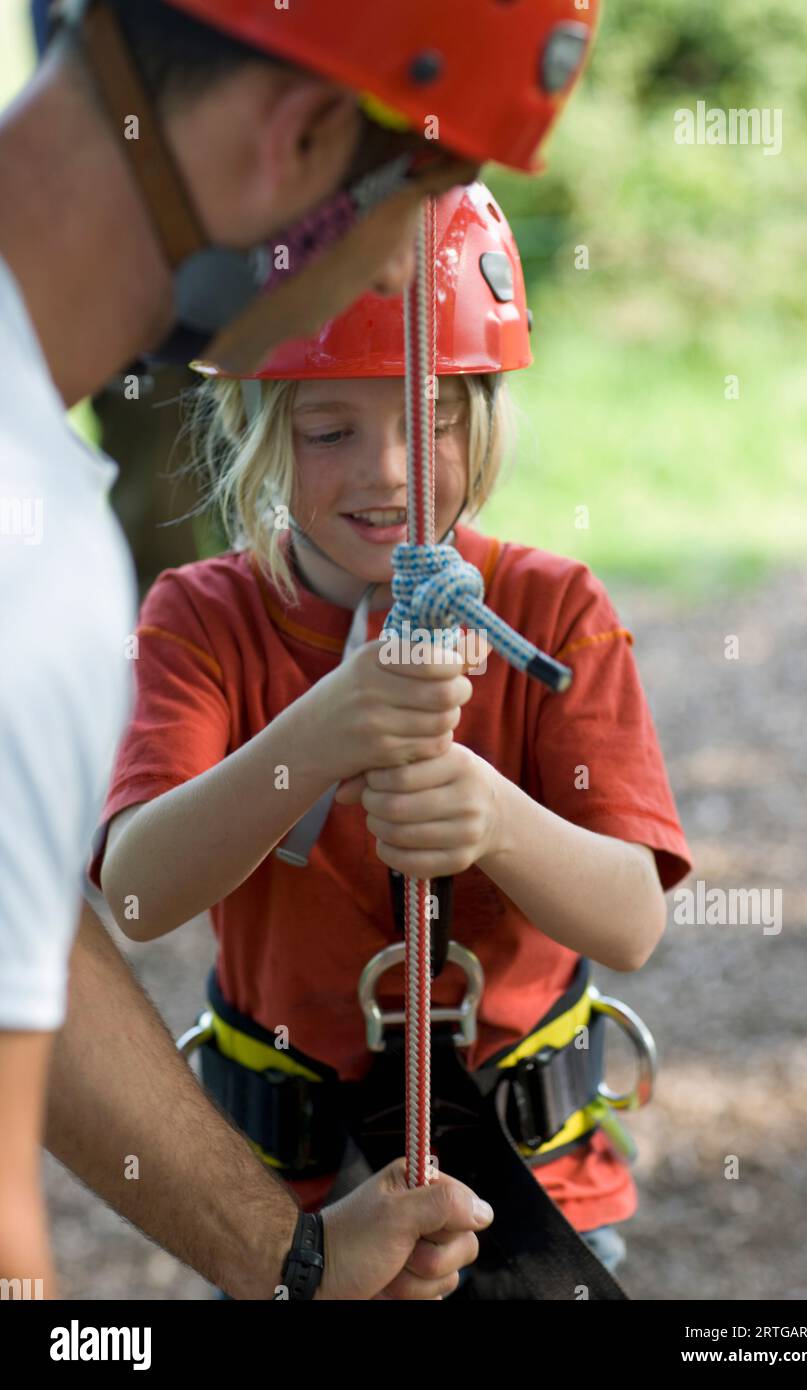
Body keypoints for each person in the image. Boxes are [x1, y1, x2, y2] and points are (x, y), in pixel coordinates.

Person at [0, 0, 600, 1298]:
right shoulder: (28, 557)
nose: (395, 283)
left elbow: (35, 930)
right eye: (414, 208)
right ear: (308, 135)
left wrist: (295, 1260)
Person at [94, 182, 692, 1297]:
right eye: (329, 430)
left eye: (432, 423)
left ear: (484, 417)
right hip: (291, 1216)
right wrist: (312, 737)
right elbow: (134, 897)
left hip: (525, 1194)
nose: (384, 470)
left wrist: (495, 817)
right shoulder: (203, 618)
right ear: (255, 425)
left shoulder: (553, 612)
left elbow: (631, 918)